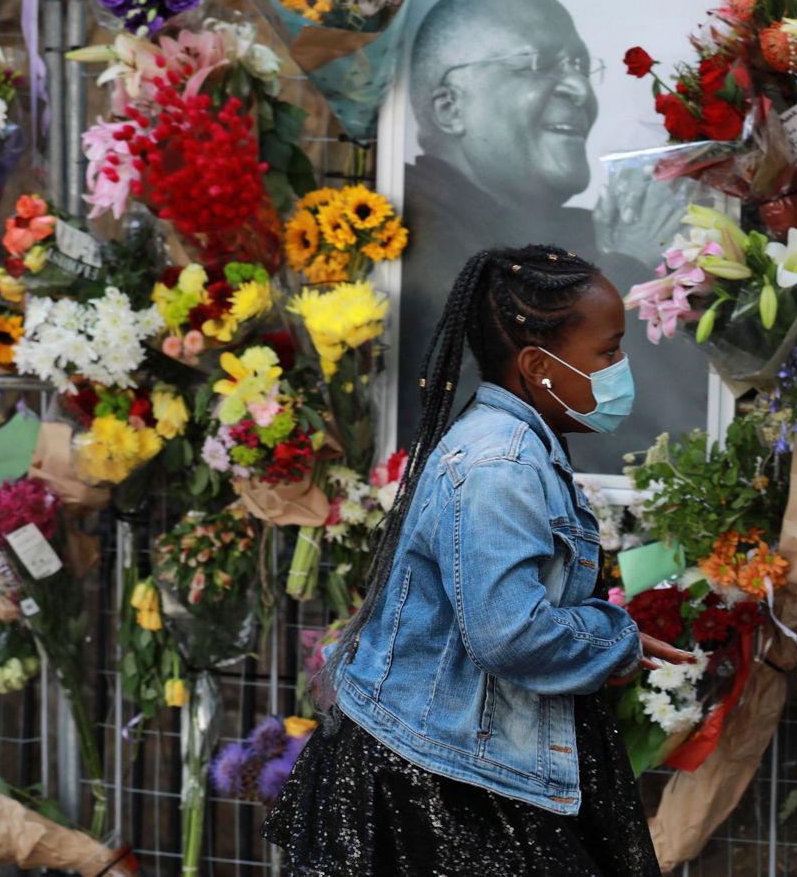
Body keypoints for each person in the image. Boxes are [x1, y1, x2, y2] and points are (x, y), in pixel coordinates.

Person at [264, 245, 688, 875]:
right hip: (437, 777)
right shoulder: (501, 464)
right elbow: (510, 634)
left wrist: (604, 641)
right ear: (539, 366)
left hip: (447, 758)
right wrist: (610, 636)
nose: (620, 367)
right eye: (608, 351)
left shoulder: (512, 444)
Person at [397, 0, 709, 472]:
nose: (579, 89)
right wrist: (626, 267)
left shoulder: (573, 233)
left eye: (582, 67)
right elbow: (506, 420)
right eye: (537, 65)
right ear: (450, 107)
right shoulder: (410, 234)